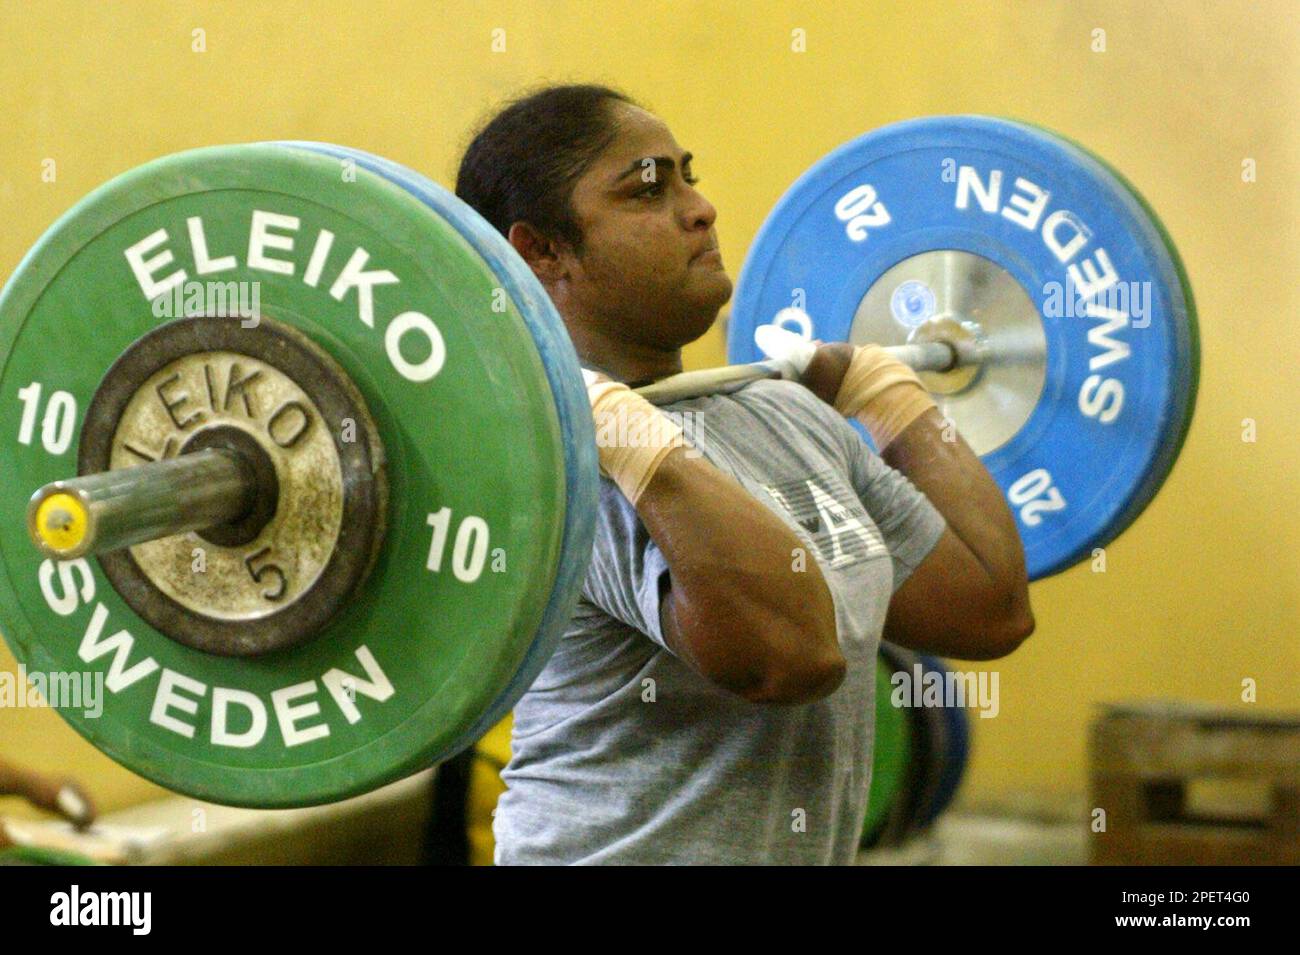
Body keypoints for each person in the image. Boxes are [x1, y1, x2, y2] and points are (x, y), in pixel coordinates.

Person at [455, 84, 1033, 865]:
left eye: (689, 176)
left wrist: (889, 397)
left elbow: (989, 607)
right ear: (542, 251)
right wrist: (626, 440)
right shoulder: (560, 469)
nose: (700, 208)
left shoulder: (787, 417)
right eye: (649, 189)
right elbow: (791, 657)